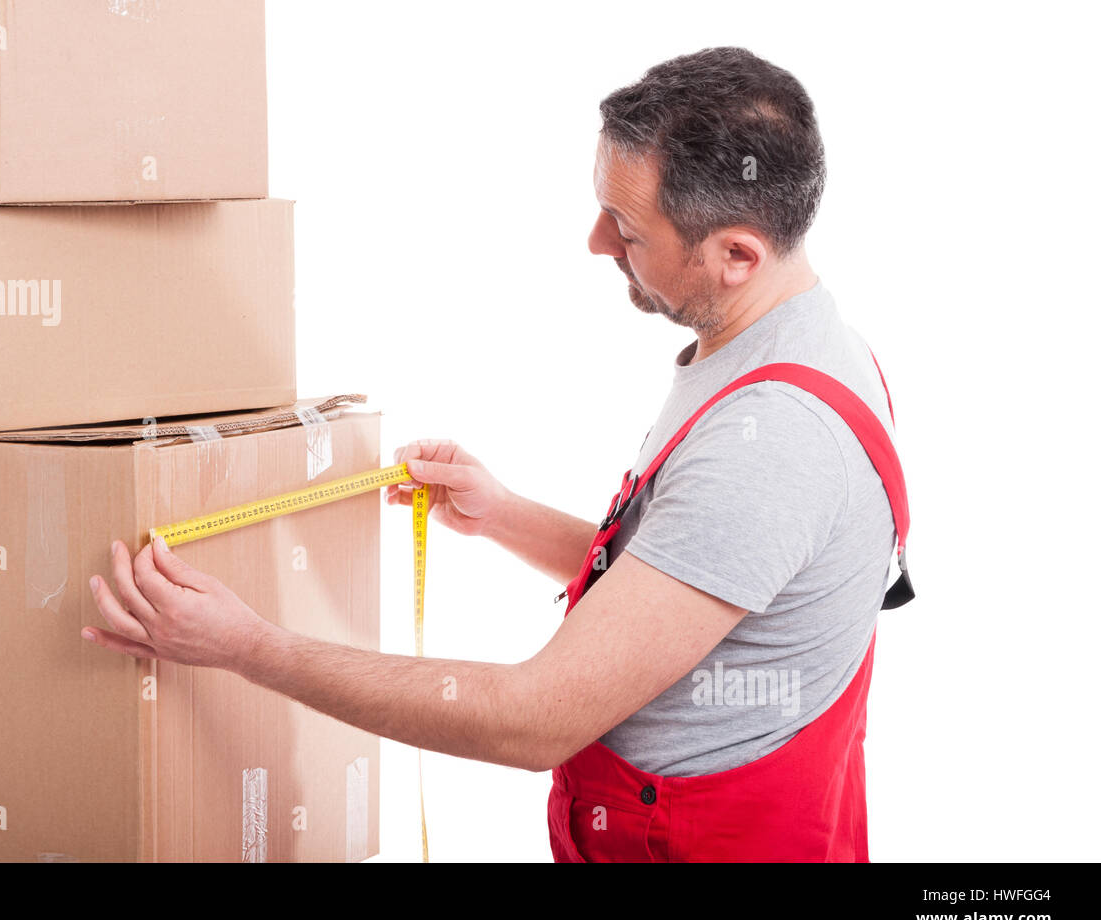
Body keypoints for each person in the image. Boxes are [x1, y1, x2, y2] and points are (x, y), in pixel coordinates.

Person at [82, 46, 911, 862]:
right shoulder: (795, 337)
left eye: (625, 227)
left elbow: (534, 719)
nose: (595, 241)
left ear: (737, 255)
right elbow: (689, 575)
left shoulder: (773, 442)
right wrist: (505, 516)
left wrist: (246, 645)